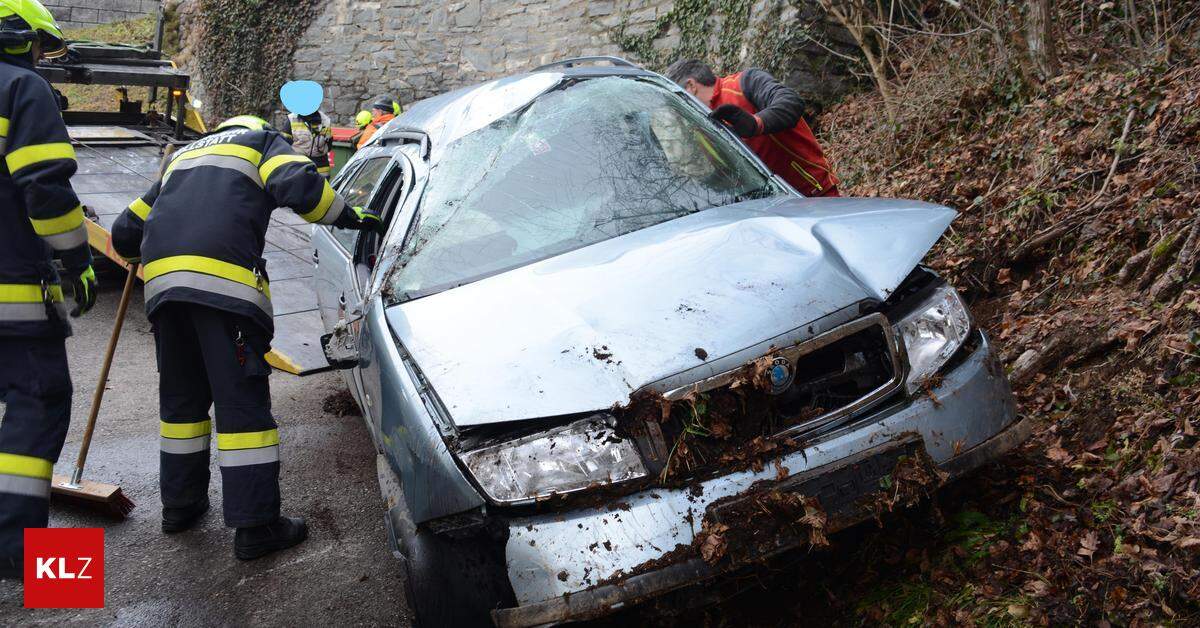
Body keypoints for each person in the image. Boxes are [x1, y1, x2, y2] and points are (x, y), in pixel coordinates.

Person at [110, 115, 380, 560]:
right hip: (225, 295)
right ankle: (256, 527)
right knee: (241, 408)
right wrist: (348, 216)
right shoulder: (260, 142)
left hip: (163, 294)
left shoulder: (180, 159)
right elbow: (301, 187)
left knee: (181, 405)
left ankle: (180, 507)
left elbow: (124, 234)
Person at [0, 0, 97, 580]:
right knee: (38, 399)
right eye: (39, 45)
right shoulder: (20, 88)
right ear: (17, 38)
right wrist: (77, 258)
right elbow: (45, 189)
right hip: (10, 291)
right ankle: (18, 554)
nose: (41, 57)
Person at [665, 59, 839, 197]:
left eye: (676, 100)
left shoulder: (744, 83)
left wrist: (756, 124)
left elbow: (791, 102)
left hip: (814, 193)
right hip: (771, 208)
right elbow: (733, 173)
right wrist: (703, 185)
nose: (677, 111)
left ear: (691, 86)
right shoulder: (700, 124)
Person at [285, 109, 332, 177]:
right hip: (298, 168)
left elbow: (329, 144)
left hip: (321, 170)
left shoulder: (325, 120)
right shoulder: (292, 118)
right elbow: (284, 145)